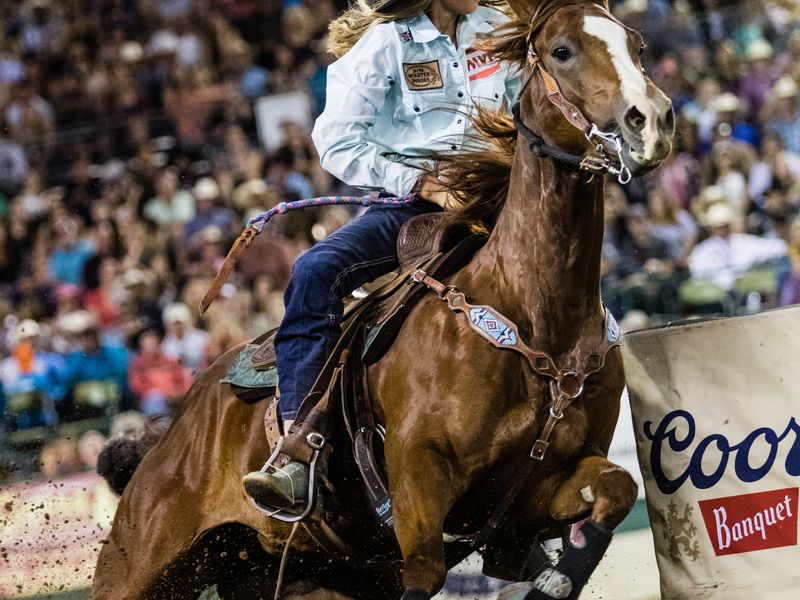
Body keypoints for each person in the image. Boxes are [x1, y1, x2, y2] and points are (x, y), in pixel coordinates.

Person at [242, 0, 520, 511]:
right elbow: (335, 140)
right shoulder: (386, 43)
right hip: (415, 205)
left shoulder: (498, 27)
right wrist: (422, 180)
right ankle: (297, 447)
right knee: (315, 270)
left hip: (508, 193)